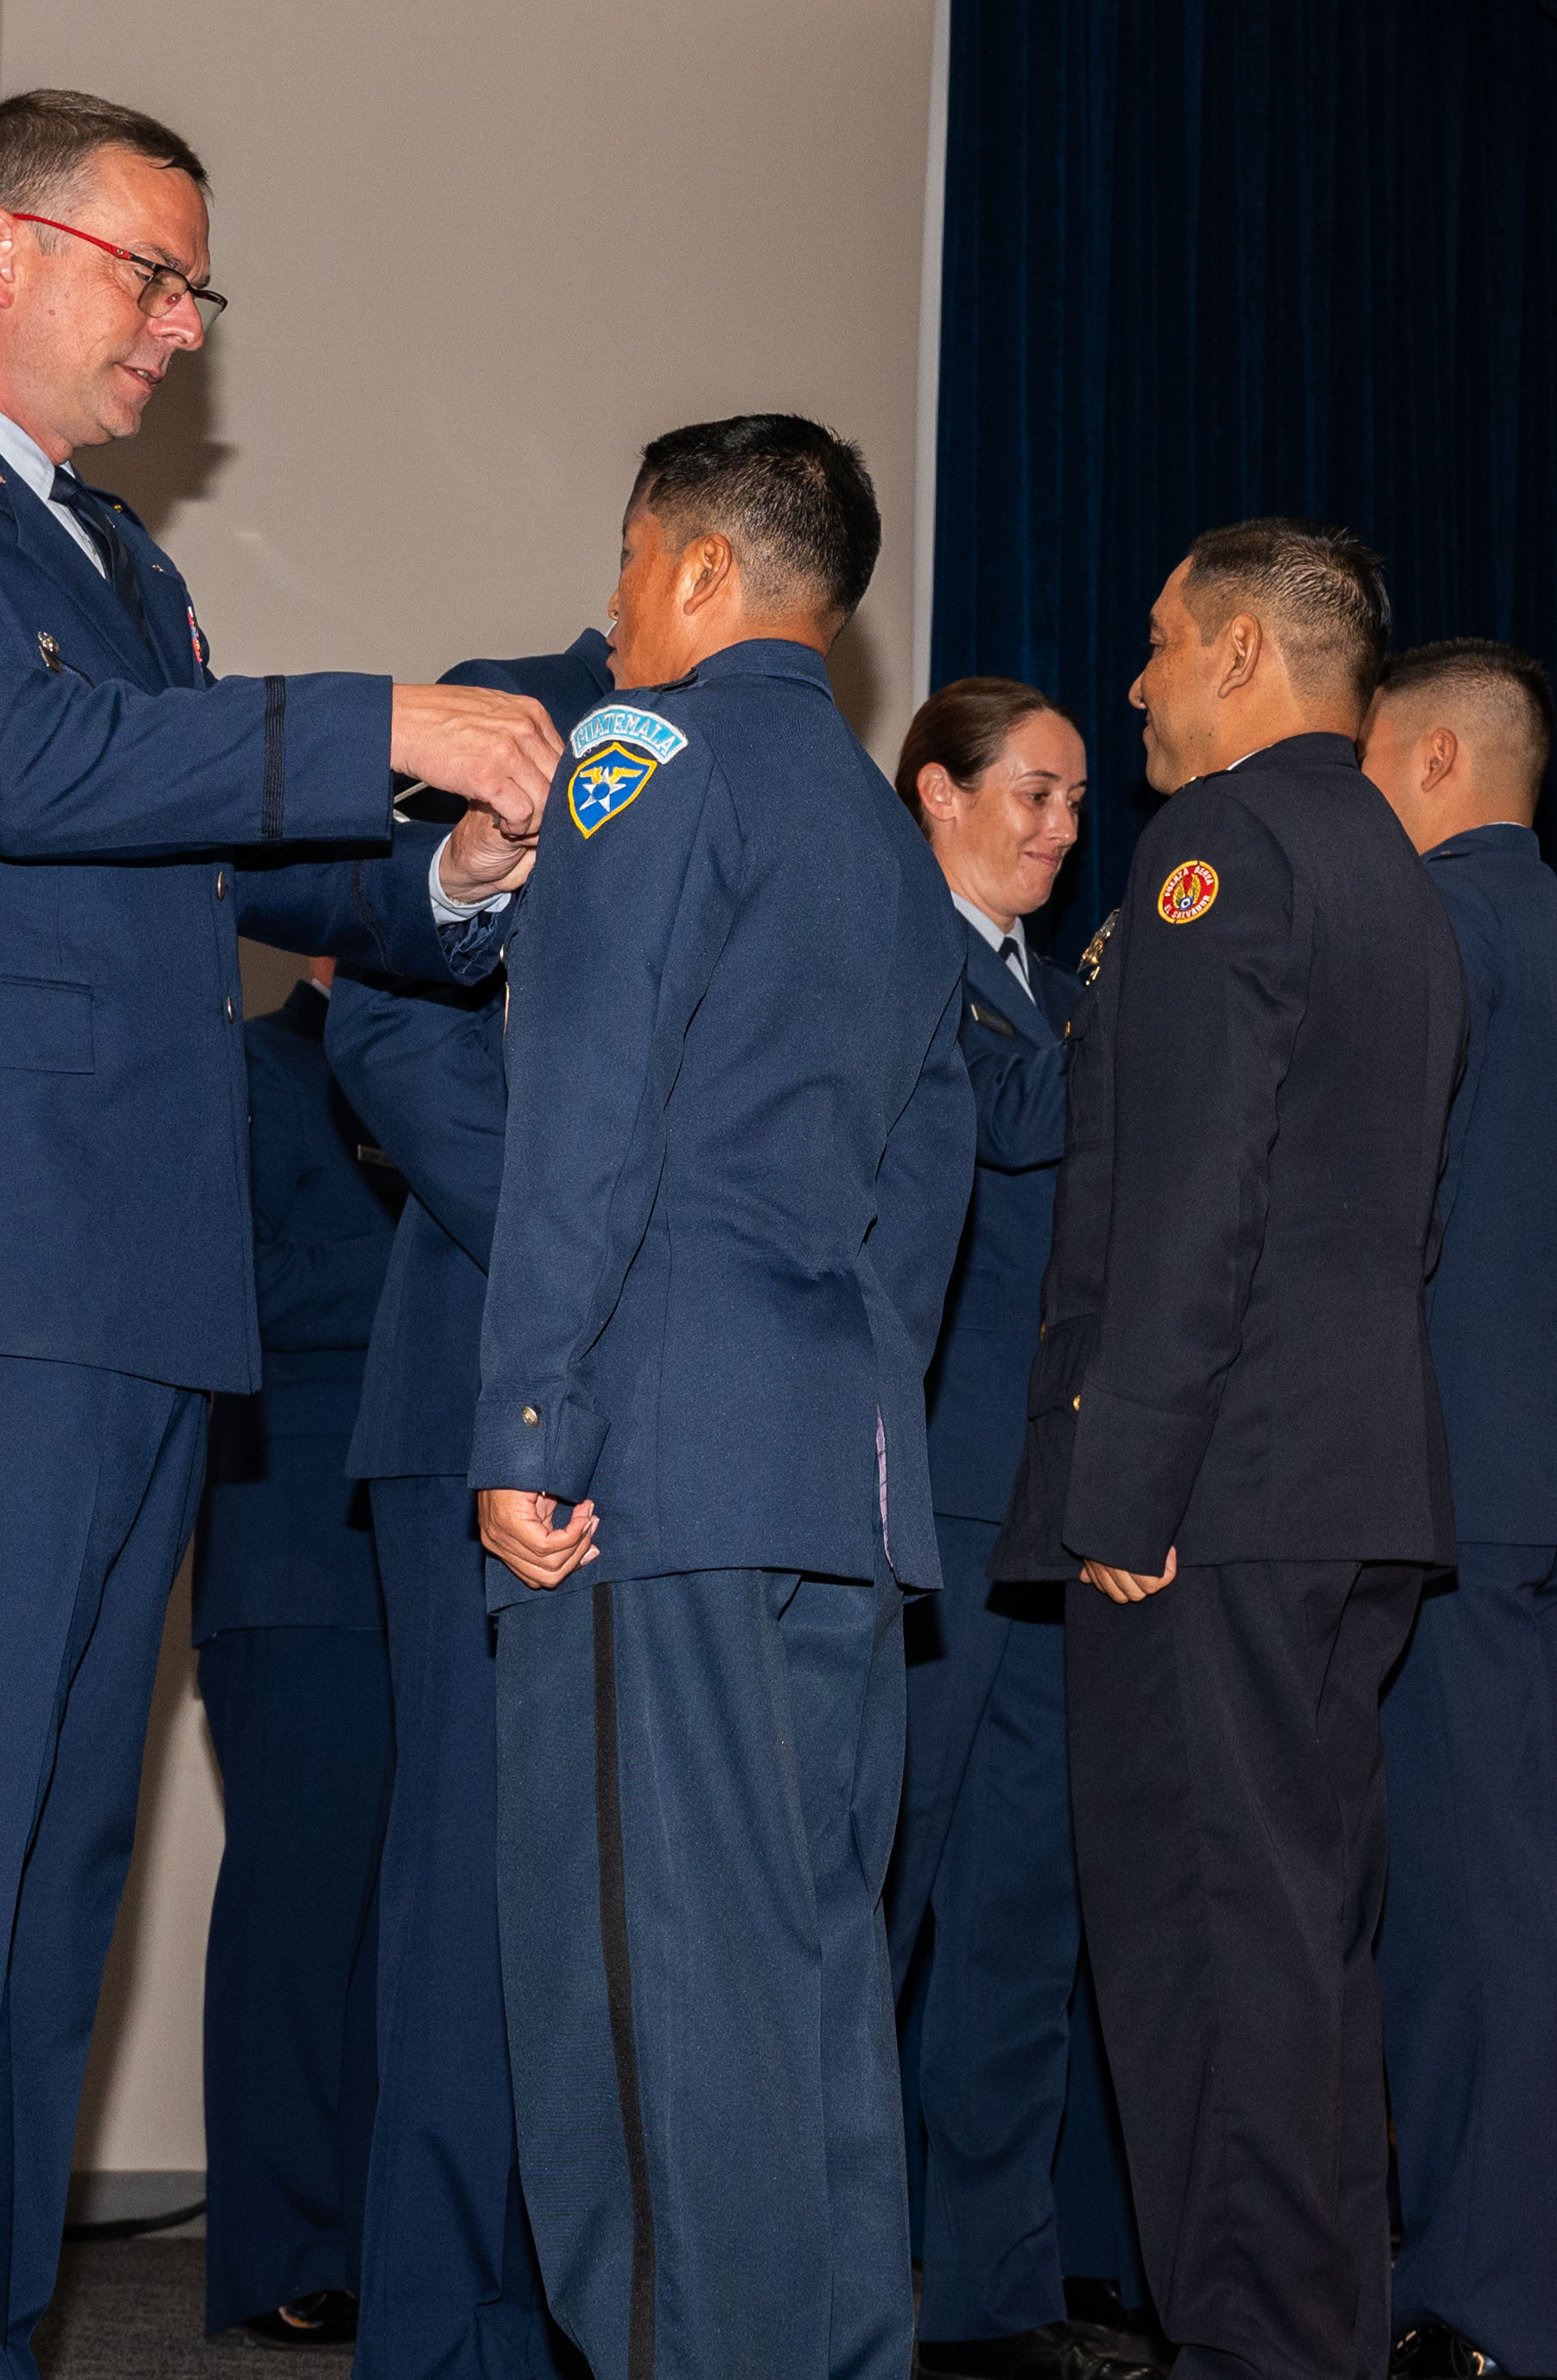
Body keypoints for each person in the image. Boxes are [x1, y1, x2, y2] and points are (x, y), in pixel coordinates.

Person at [0, 90, 558, 2379]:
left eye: (198, 291)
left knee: (56, 1869)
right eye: (153, 276)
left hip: (138, 1275)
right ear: (3, 252)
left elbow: (224, 844)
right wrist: (377, 713)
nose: (184, 331)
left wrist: (447, 883)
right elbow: (26, 768)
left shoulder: (125, 563)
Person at [470, 416, 974, 2380]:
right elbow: (920, 1187)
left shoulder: (645, 759)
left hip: (648, 1472)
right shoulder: (878, 830)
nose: (605, 620)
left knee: (647, 2010)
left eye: (623, 568)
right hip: (830, 1479)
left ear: (694, 569)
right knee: (813, 1982)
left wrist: (525, 1424)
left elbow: (582, 1108)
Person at [995, 521, 1467, 2380]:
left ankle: (1258, 2354)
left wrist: (1129, 1484)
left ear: (1251, 649)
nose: (1137, 684)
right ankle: (1313, 2339)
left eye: (1165, 642)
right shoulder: (1395, 872)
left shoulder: (1217, 852)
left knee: (1206, 1960)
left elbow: (1196, 1204)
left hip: (1216, 1498)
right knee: (1301, 1955)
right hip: (1345, 1486)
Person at [325, 628, 613, 2380]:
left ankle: (570, 2310)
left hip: (674, 1415)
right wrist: (602, 1262)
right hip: (482, 1381)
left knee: (606, 1910)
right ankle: (440, 2335)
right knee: (468, 1893)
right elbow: (387, 1024)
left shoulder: (745, 750)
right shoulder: (518, 700)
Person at [880, 680, 1149, 2380]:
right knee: (881, 1901)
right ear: (935, 796)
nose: (1060, 825)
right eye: (1031, 796)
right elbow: (1025, 1125)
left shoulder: (1052, 989)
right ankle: (834, 2278)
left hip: (1046, 1511)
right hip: (926, 1498)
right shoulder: (897, 956)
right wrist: (1148, 994)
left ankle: (991, 2288)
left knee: (1016, 1919)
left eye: (1070, 801)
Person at [1359, 641, 1557, 2380]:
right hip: (1515, 1468)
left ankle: (1485, 2300)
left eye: (1372, 752)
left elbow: (1386, 1204)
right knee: (1505, 1892)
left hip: (1448, 1469)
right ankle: (1499, 2282)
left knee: (1470, 1911)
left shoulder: (1446, 926)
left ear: (1439, 756)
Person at [191, 957, 409, 2348]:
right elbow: (233, 1286)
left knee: (408, 1928)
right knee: (300, 1915)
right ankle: (283, 2246)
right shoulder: (254, 1072)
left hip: (443, 1549)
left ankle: (392, 2233)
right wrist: (437, 1251)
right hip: (299, 1542)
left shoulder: (476, 1065)